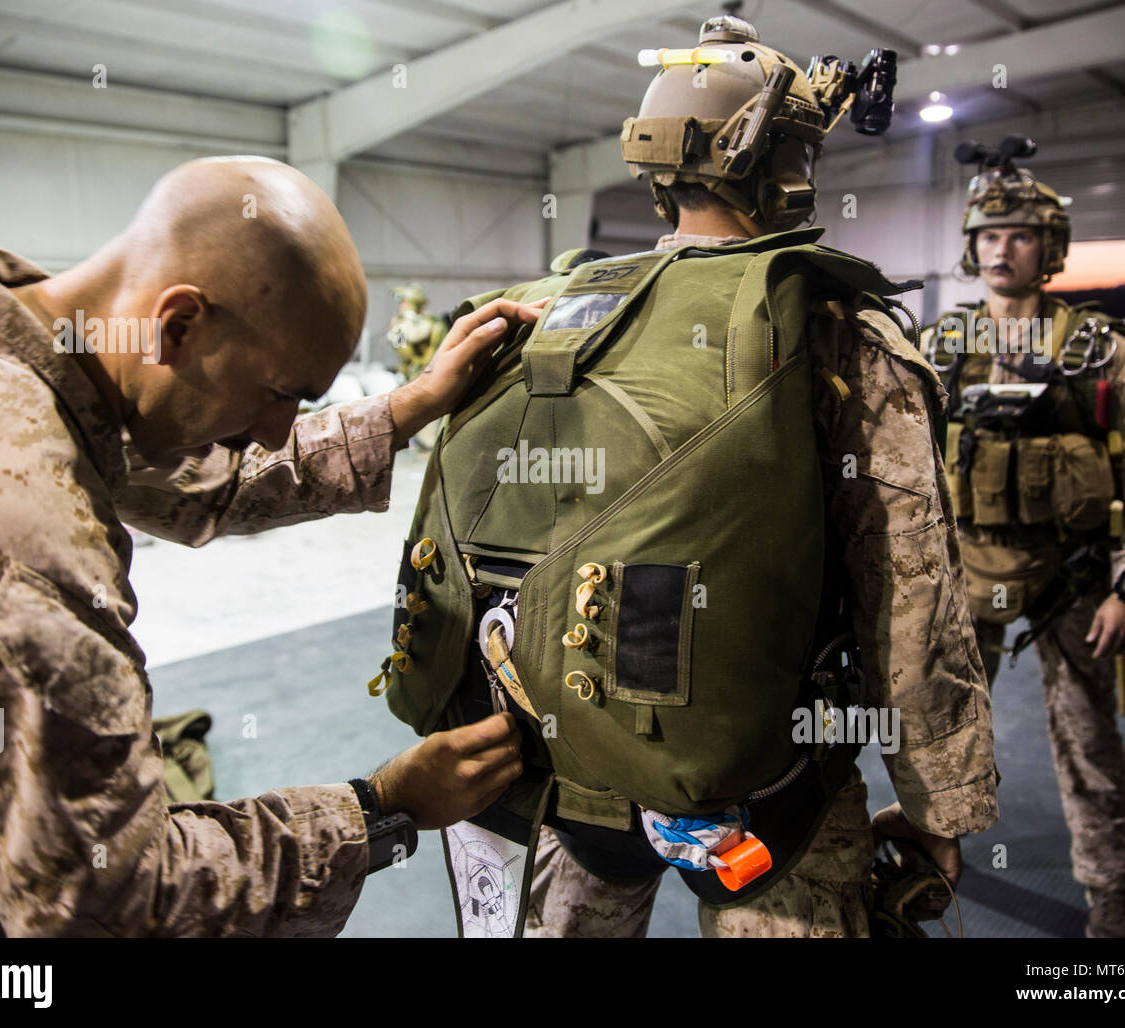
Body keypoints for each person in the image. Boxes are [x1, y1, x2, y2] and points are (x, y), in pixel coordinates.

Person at [384, 15, 998, 938]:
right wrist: (939, 806)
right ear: (787, 160)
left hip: (545, 776)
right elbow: (911, 600)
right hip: (765, 787)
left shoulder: (534, 313)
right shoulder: (835, 329)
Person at [0, 155, 547, 937]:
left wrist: (409, 407)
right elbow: (115, 905)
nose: (273, 430)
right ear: (177, 324)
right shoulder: (19, 533)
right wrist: (382, 808)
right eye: (280, 395)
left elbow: (205, 481)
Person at [922, 140, 1125, 937]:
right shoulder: (937, 353)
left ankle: (1107, 906)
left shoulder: (1104, 355)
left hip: (1074, 579)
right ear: (972, 248)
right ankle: (926, 871)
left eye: (1022, 234)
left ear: (1051, 249)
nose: (1003, 249)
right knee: (937, 737)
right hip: (965, 574)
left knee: (1091, 751)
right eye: (989, 235)